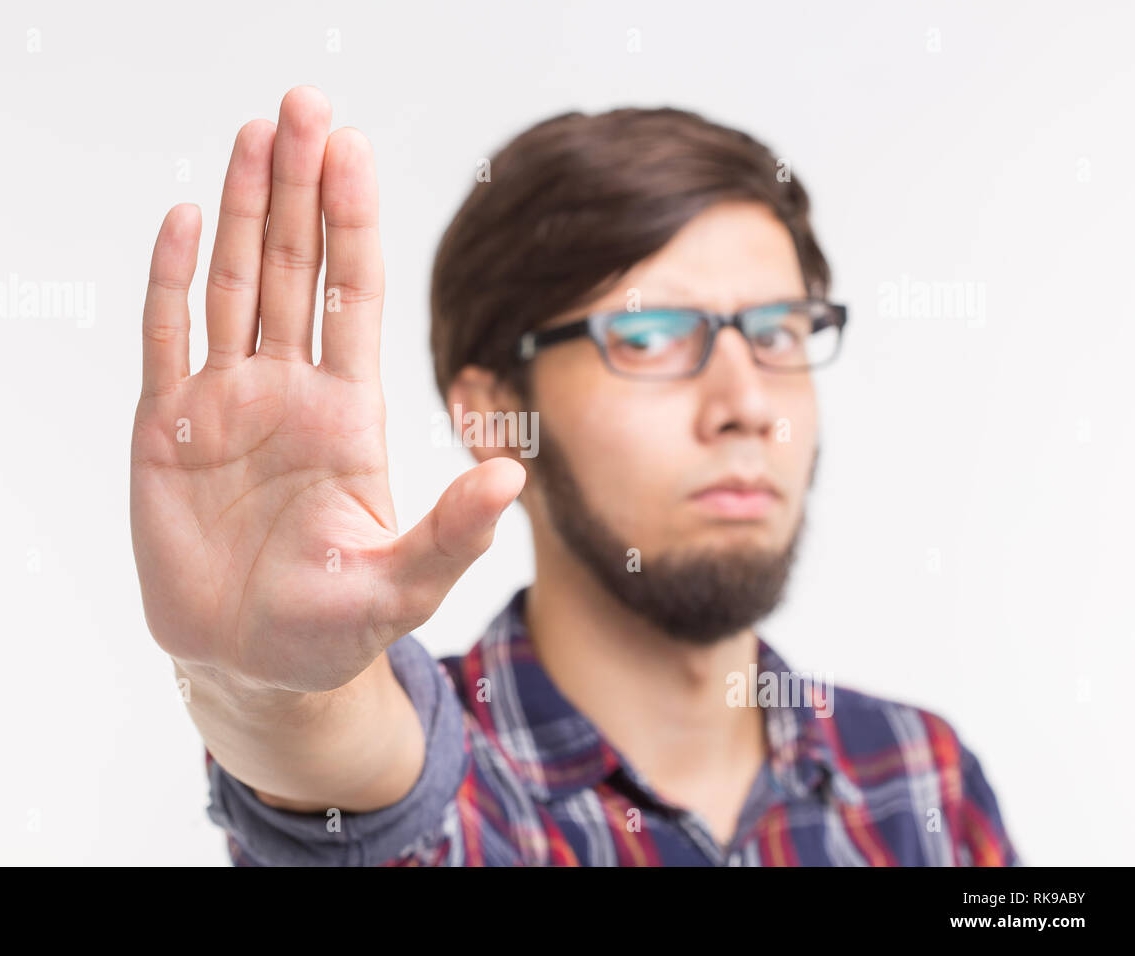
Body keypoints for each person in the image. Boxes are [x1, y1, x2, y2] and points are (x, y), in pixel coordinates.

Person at [129, 85, 1019, 866]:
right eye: (648, 336)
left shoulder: (919, 775)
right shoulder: (457, 794)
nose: (748, 403)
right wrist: (267, 689)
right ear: (494, 414)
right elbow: (359, 778)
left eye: (780, 332)